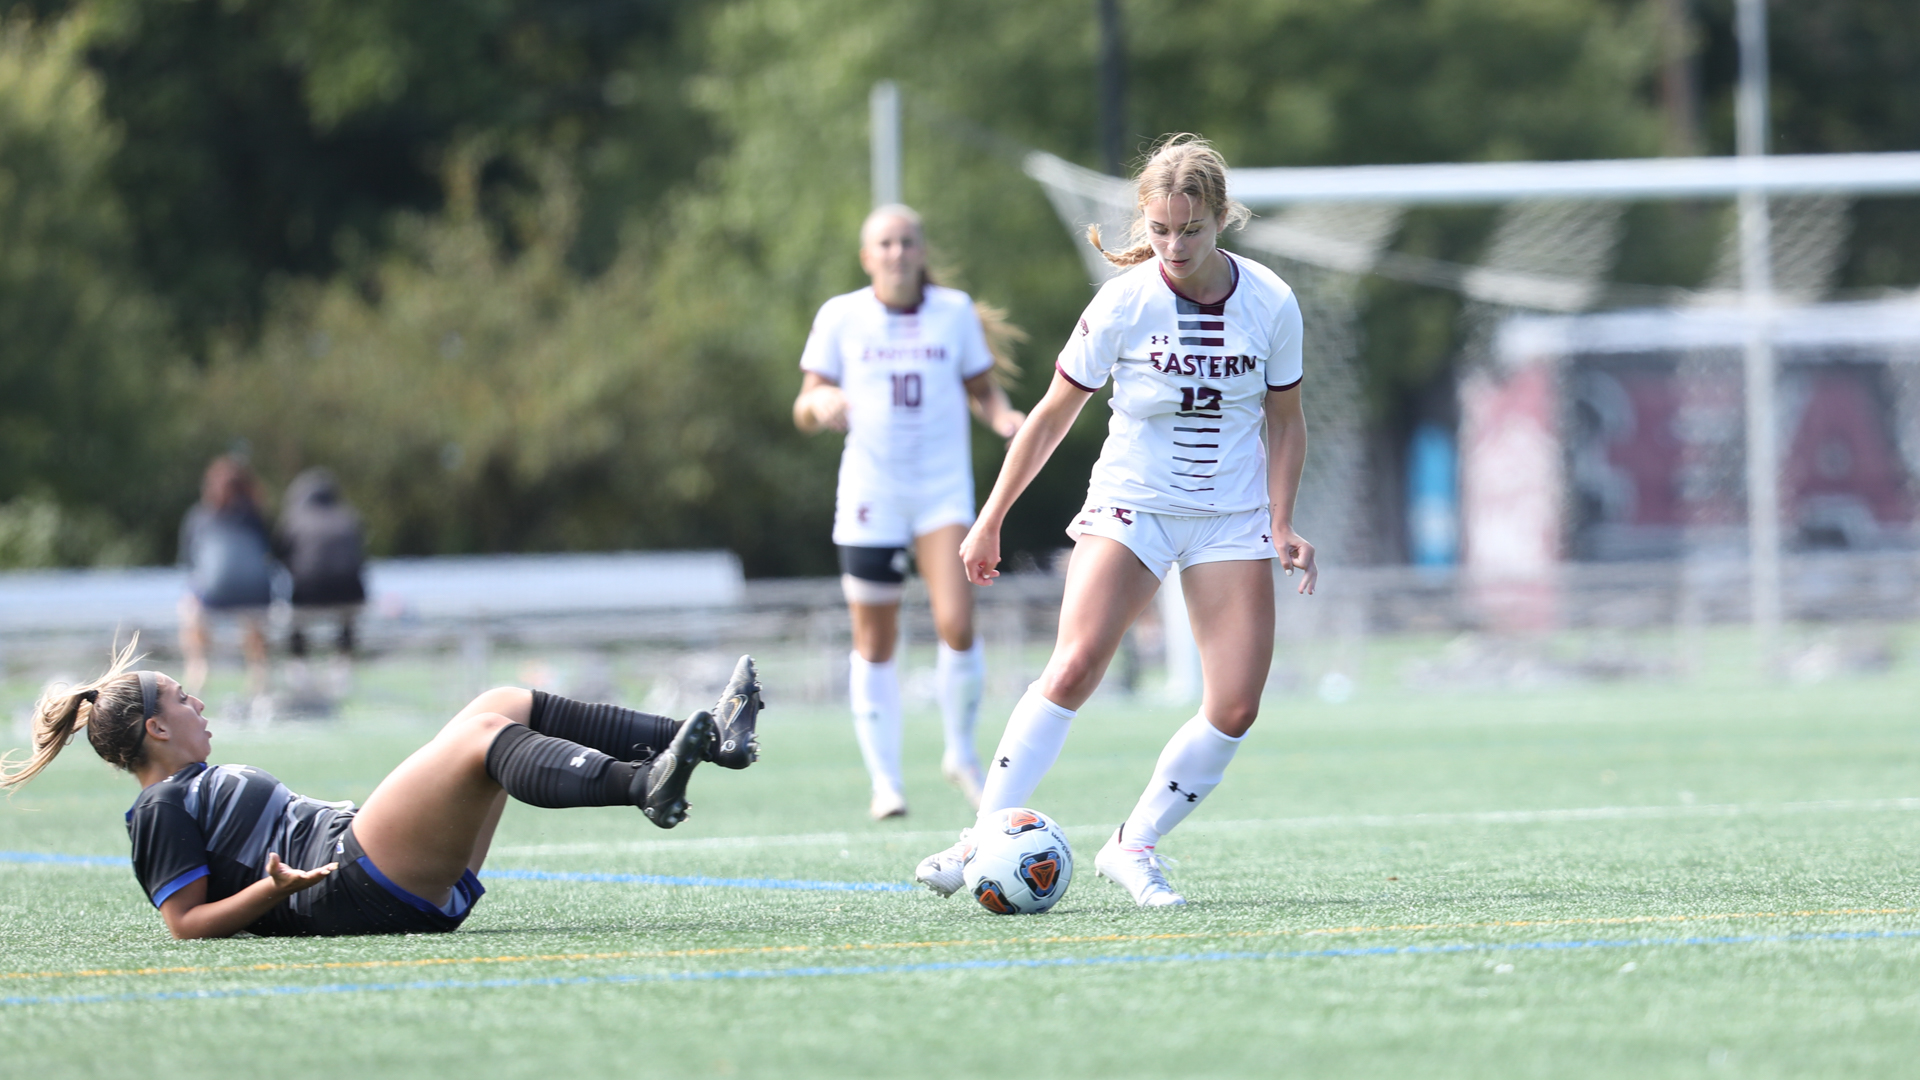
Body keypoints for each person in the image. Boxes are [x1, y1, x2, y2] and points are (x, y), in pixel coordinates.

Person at [912, 135, 1317, 907]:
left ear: (1222, 218)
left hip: (1229, 517)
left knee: (1235, 704)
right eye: (1159, 228)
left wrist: (1283, 520)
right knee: (1073, 668)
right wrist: (991, 517)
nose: (1172, 245)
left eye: (1190, 230)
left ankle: (1134, 846)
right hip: (1132, 506)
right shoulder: (1124, 302)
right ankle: (978, 840)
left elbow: (1288, 421)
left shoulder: (1271, 301)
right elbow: (1049, 417)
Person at [0, 643, 764, 938]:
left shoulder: (193, 782)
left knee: (504, 702)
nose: (195, 700)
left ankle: (702, 739)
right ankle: (644, 785)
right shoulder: (162, 807)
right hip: (351, 880)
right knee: (477, 740)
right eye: (180, 697)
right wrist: (275, 891)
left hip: (367, 862)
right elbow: (185, 925)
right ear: (156, 732)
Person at [793, 204, 1026, 820]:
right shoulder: (841, 316)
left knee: (957, 622)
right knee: (875, 640)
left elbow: (982, 388)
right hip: (872, 493)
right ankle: (886, 781)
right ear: (868, 256)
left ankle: (960, 756)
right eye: (885, 244)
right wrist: (822, 404)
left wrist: (1003, 418)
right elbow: (805, 400)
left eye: (907, 242)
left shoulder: (953, 312)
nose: (897, 253)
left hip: (942, 491)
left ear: (921, 251)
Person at [177, 456, 275, 704]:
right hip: (257, 594)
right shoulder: (255, 517)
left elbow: (189, 562)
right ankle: (258, 674)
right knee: (254, 618)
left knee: (190, 607)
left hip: (214, 594)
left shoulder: (198, 517)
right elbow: (267, 554)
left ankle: (198, 669)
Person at [273, 468, 367, 696]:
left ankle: (299, 670)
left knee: (295, 620)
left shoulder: (293, 519)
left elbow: (279, 556)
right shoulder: (349, 517)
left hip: (307, 595)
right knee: (347, 618)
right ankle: (341, 666)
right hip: (351, 595)